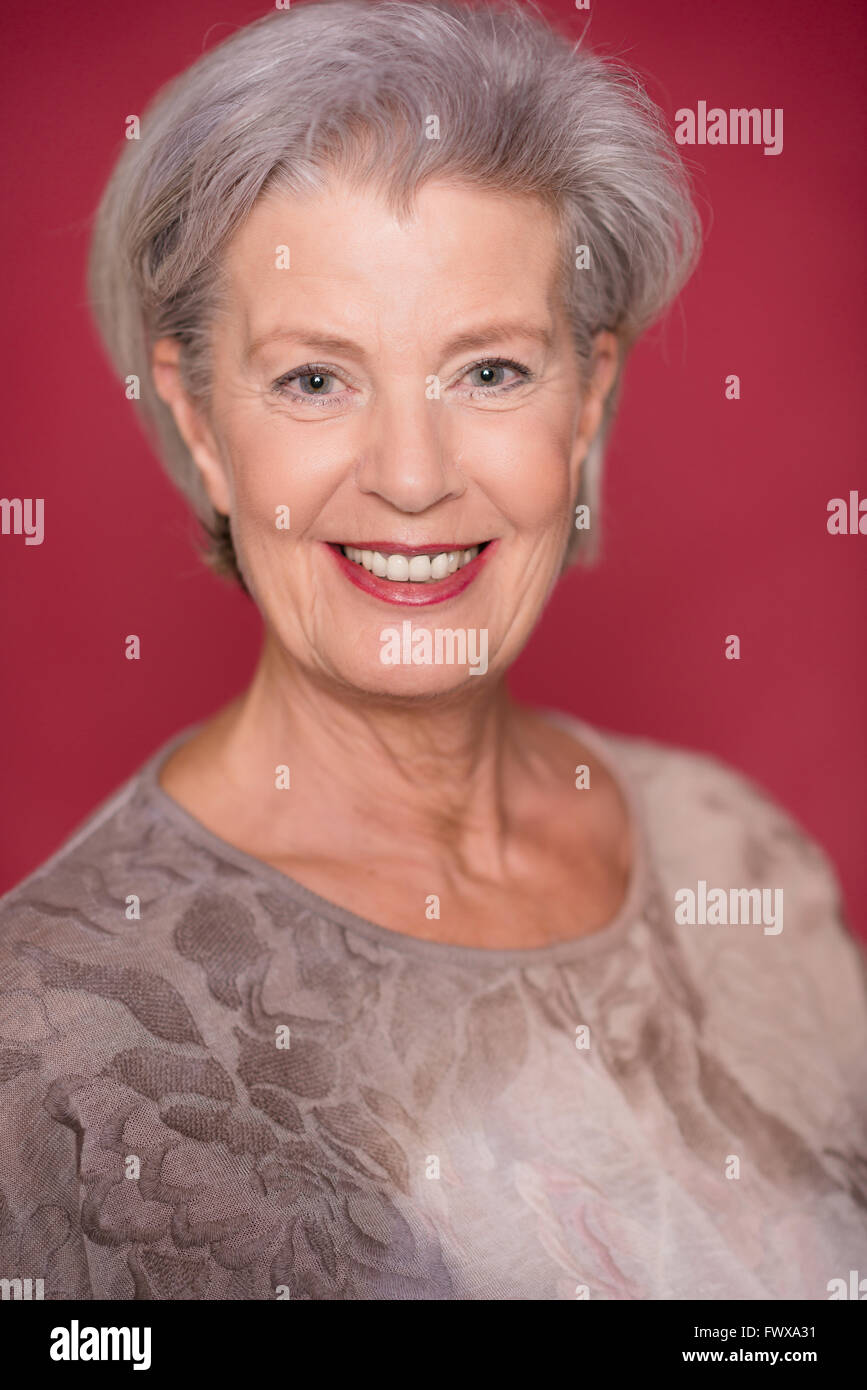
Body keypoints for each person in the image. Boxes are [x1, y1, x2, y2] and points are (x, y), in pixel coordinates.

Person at [1, 0, 864, 1301]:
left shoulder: (740, 850)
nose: (412, 478)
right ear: (198, 417)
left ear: (586, 400)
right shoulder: (51, 1029)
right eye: (313, 379)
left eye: (492, 372)